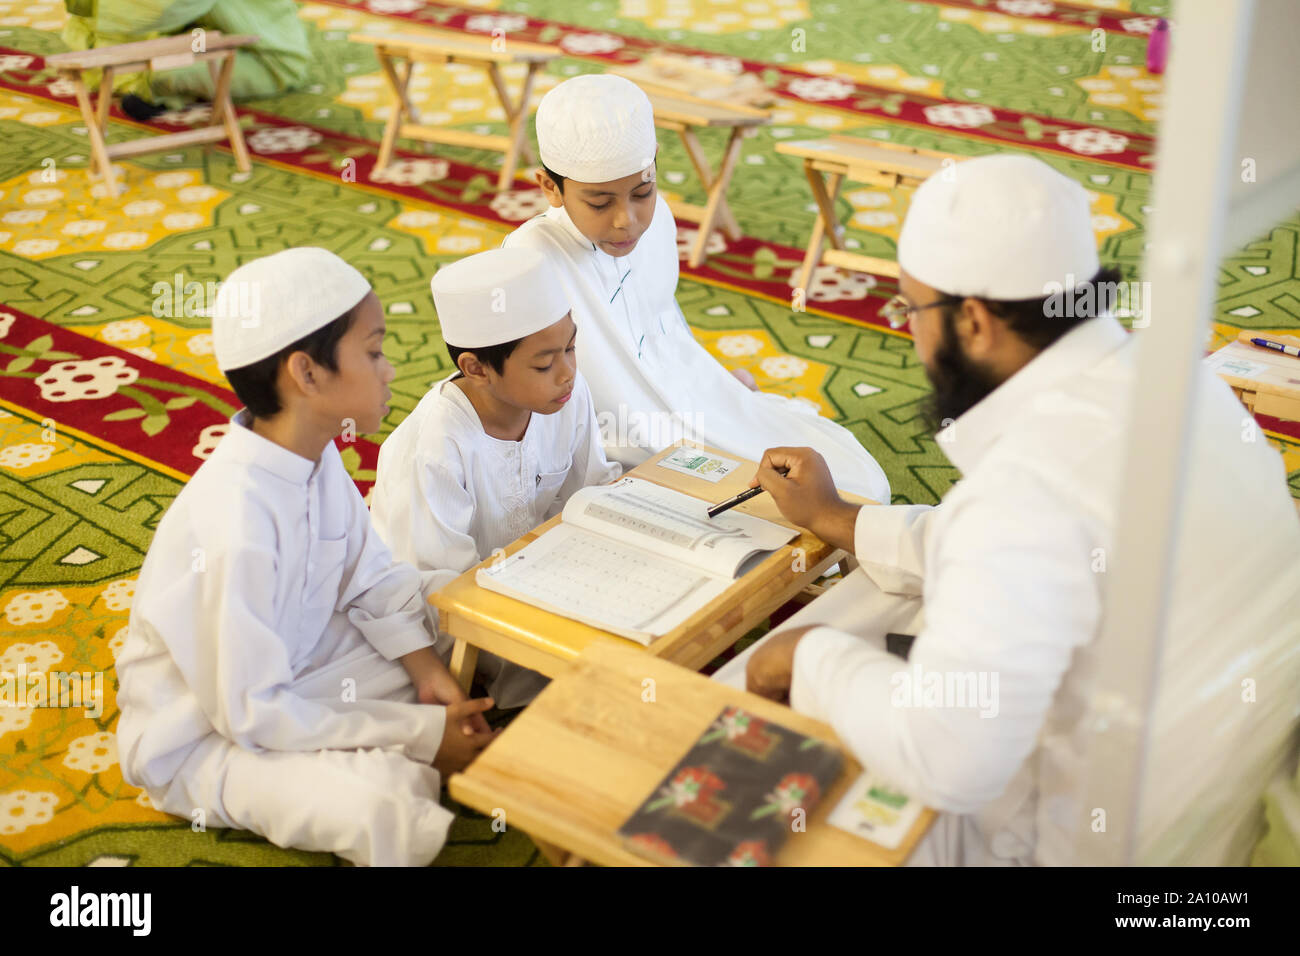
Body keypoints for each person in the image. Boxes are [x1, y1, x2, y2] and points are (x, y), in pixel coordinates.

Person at [715, 154, 1300, 866]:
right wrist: (840, 519)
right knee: (867, 608)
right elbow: (1031, 554)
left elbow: (949, 761)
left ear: (974, 320)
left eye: (912, 309)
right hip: (1221, 811)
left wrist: (805, 657)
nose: (911, 337)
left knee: (731, 727)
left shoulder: (1027, 494)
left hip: (1096, 850)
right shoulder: (1183, 383)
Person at [116, 247, 495, 867]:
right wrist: (424, 732)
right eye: (372, 352)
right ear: (307, 374)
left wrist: (434, 682)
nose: (390, 369)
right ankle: (403, 756)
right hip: (213, 732)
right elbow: (251, 712)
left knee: (453, 612)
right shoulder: (234, 523)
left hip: (306, 661)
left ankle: (409, 738)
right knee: (387, 812)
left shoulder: (311, 456)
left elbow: (371, 577)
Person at [501, 73, 891, 503]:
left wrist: (715, 381)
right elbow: (521, 390)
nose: (626, 220)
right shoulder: (529, 258)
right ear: (550, 188)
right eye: (599, 202)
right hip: (609, 440)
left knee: (859, 485)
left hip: (694, 402)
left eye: (642, 191)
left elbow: (664, 328)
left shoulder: (659, 218)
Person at [370, 247, 622, 708]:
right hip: (469, 615)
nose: (568, 373)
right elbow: (440, 592)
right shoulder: (433, 449)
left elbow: (592, 491)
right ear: (476, 368)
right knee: (598, 678)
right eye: (545, 364)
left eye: (570, 347)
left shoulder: (566, 394)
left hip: (552, 576)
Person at [61, 0, 311, 114]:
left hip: (269, 62)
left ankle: (157, 94)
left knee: (161, 75)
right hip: (207, 30)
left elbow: (158, 11)